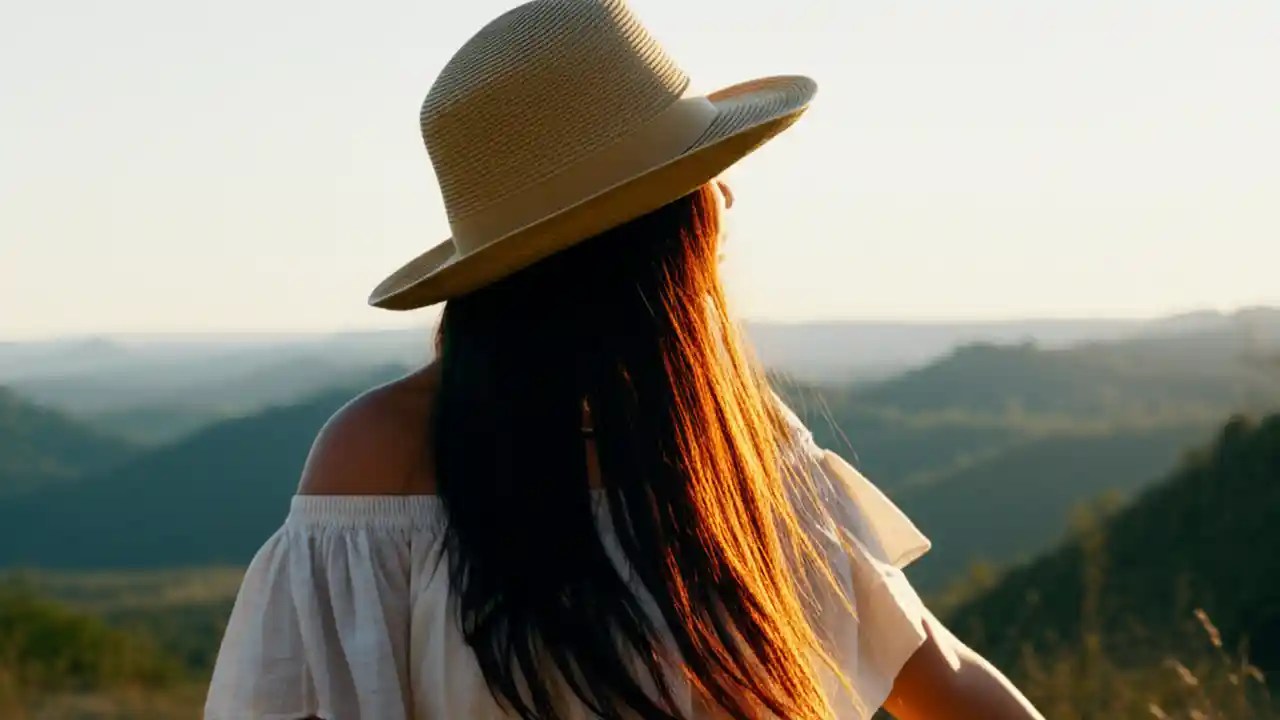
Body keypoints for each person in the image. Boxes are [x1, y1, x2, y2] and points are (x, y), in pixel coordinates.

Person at [205, 1, 1046, 718]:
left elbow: (943, 677)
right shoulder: (383, 469)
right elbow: (946, 684)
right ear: (656, 235)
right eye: (704, 174)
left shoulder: (740, 442)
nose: (727, 197)